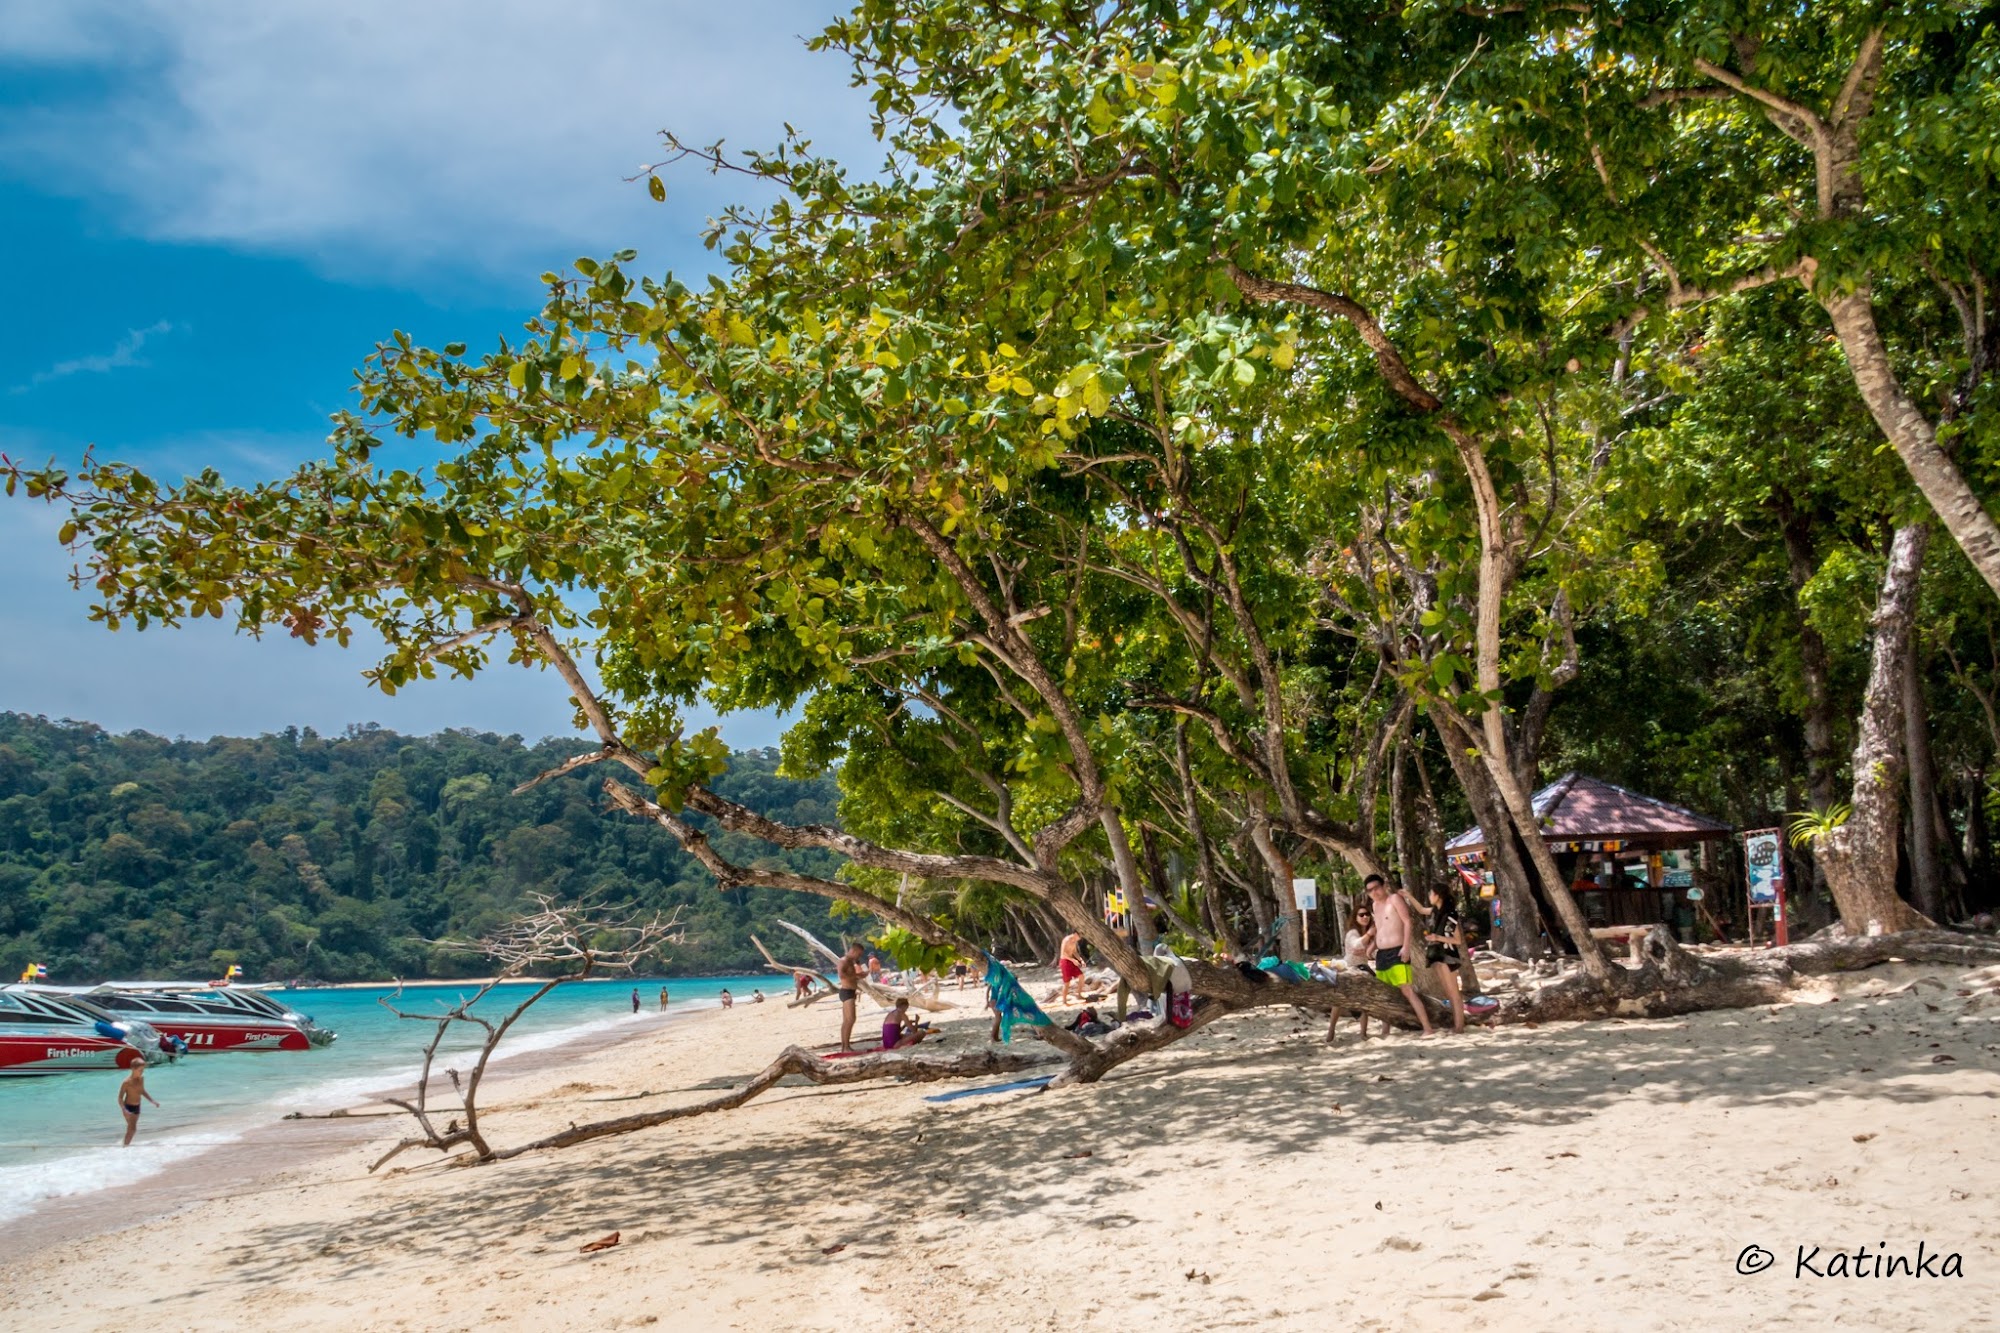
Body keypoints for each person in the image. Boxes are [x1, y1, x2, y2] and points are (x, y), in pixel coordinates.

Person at [1366, 874, 1435, 1035]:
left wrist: (1406, 946)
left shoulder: (1394, 899)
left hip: (1397, 950)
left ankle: (1427, 1028)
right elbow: (1380, 928)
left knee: (1407, 990)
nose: (1374, 892)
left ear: (1383, 886)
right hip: (1382, 953)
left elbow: (1407, 922)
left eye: (1376, 888)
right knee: (1384, 992)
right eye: (1370, 890)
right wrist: (1372, 946)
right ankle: (1385, 1031)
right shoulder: (1375, 905)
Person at [1422, 885, 1469, 1034]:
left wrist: (1437, 937)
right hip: (1437, 955)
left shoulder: (1450, 914)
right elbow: (1421, 910)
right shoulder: (1436, 912)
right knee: (1449, 993)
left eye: (1431, 892)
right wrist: (1407, 896)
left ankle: (1459, 1027)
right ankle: (1456, 1024)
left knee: (1454, 993)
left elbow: (1457, 940)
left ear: (1437, 895)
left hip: (1448, 956)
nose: (1429, 896)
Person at [1329, 902, 1378, 1044]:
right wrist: (1369, 934)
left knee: (1364, 1002)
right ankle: (1331, 1029)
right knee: (1338, 1001)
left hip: (1362, 968)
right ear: (1355, 917)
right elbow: (1355, 945)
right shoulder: (1353, 933)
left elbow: (1372, 952)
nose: (1365, 917)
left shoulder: (1368, 934)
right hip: (1349, 968)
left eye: (1367, 914)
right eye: (1361, 915)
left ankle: (1363, 1033)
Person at [117, 1058, 159, 1146]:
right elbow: (120, 1098)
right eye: (140, 1070)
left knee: (132, 1129)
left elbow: (142, 1091)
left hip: (137, 1106)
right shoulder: (126, 1082)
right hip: (128, 1107)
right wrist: (124, 1110)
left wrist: (152, 1101)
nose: (142, 1072)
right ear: (133, 1069)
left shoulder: (141, 1079)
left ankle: (124, 1145)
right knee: (132, 1129)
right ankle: (125, 1147)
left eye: (143, 1070)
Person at [837, 943, 865, 1052]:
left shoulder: (850, 962)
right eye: (858, 954)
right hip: (846, 992)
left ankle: (845, 1046)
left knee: (847, 1021)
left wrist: (859, 976)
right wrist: (857, 975)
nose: (859, 957)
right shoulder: (843, 961)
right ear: (853, 951)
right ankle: (846, 1047)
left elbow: (849, 976)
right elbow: (842, 975)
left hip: (850, 991)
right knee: (850, 1019)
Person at [1057, 930, 1085, 1005]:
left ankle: (1078, 994)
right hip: (1065, 961)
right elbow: (1063, 954)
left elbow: (1074, 952)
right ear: (1075, 934)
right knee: (1067, 982)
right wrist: (1073, 960)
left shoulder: (1074, 941)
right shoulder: (1066, 940)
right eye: (1080, 936)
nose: (1080, 938)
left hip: (1072, 961)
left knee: (1081, 976)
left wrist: (1081, 960)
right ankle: (1064, 1001)